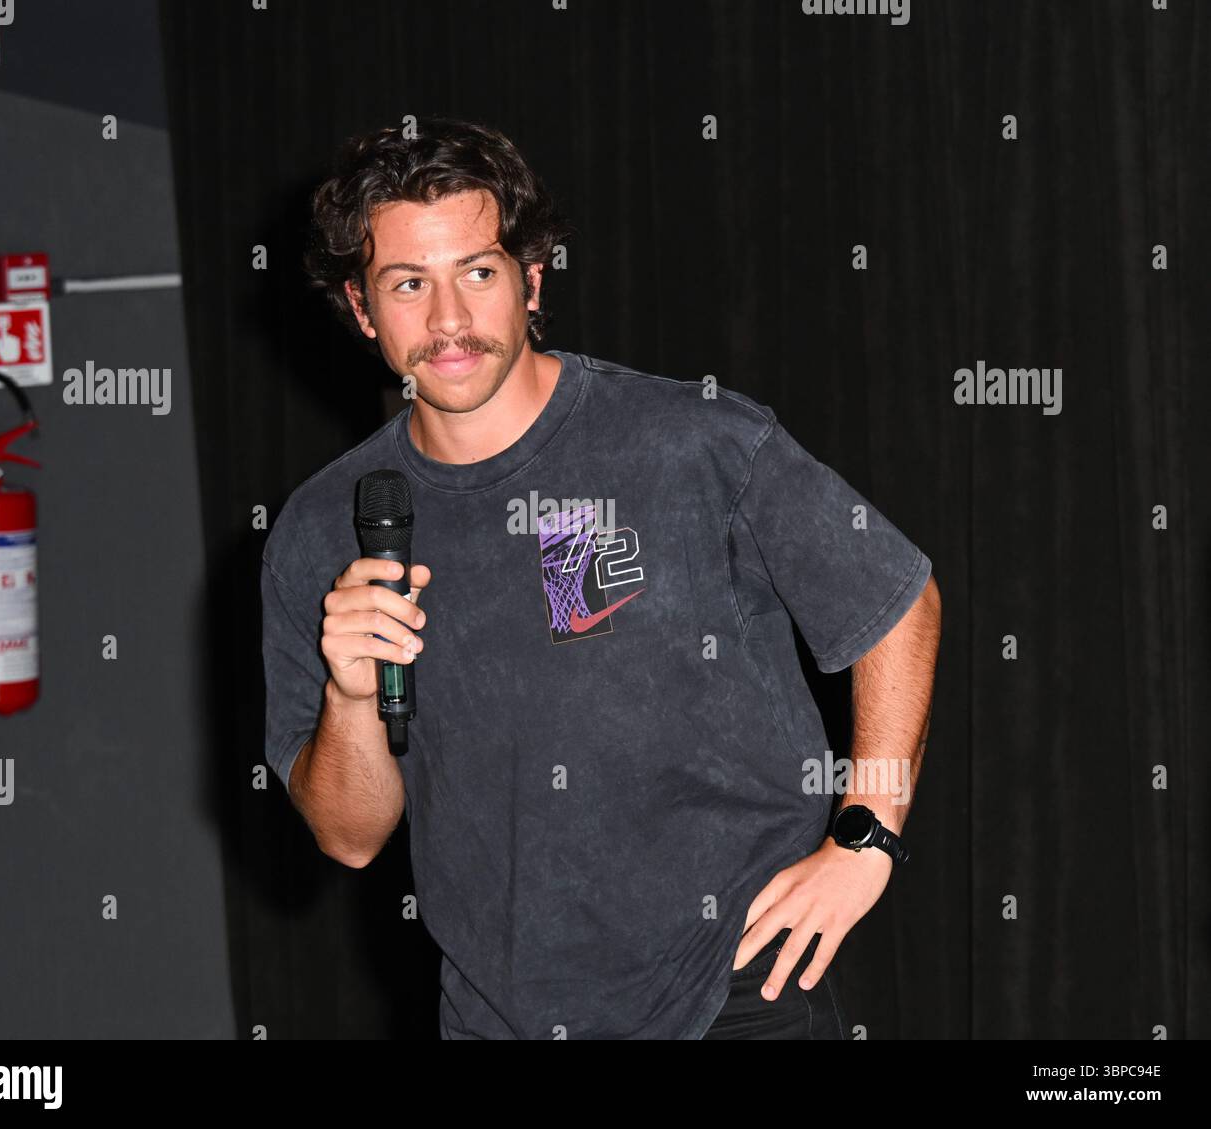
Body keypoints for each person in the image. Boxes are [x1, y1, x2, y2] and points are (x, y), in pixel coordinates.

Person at [262, 116, 941, 1039]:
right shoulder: (320, 527)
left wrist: (867, 837)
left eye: (479, 271)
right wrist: (350, 695)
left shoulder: (686, 440)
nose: (450, 319)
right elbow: (349, 834)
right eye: (409, 284)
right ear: (361, 307)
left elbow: (897, 600)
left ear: (532, 279)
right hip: (496, 1016)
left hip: (735, 991)